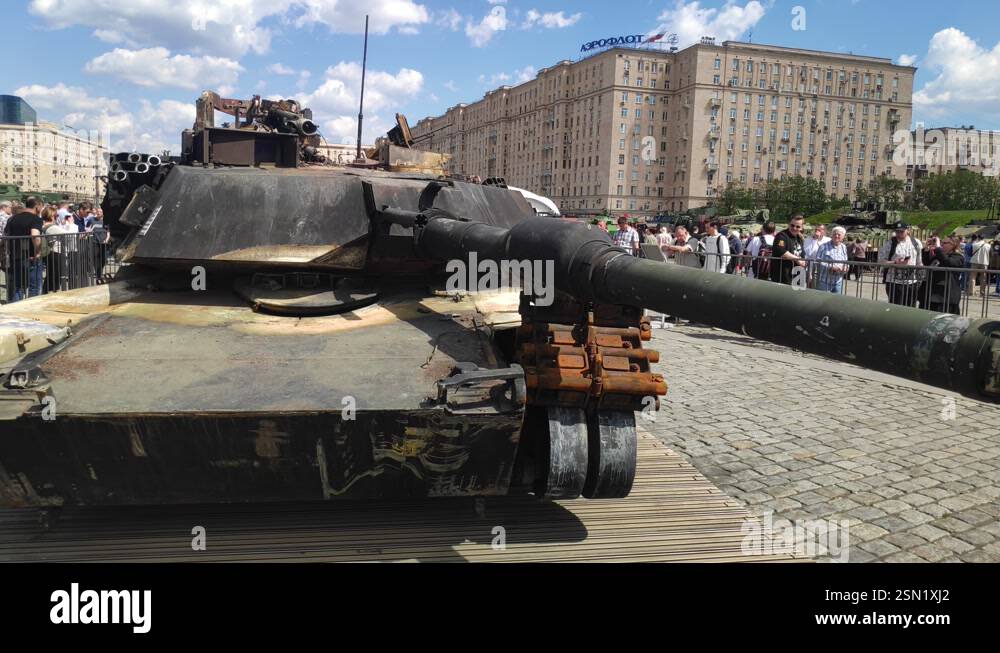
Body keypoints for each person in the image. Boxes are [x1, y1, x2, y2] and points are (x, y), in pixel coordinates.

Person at [3, 196, 45, 301]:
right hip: (31, 257)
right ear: (37, 206)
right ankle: (32, 311)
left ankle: (16, 310)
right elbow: (35, 235)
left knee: (18, 287)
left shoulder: (12, 218)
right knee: (34, 286)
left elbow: (5, 236)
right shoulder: (36, 219)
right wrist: (38, 252)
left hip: (15, 256)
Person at [878, 224, 922, 307]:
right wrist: (895, 263)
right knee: (895, 308)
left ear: (908, 230)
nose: (899, 234)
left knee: (911, 307)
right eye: (897, 231)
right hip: (894, 283)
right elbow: (880, 262)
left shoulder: (916, 243)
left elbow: (919, 261)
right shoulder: (889, 244)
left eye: (901, 231)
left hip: (912, 282)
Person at [921, 236, 965, 315]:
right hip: (931, 295)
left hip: (945, 297)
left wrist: (938, 248)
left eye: (944, 243)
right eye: (941, 242)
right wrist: (926, 249)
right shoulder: (939, 254)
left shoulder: (958, 257)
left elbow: (948, 262)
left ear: (953, 245)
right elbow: (927, 263)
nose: (942, 244)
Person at [770, 214, 807, 285]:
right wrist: (797, 259)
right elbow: (781, 252)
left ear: (801, 228)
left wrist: (803, 261)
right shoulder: (782, 235)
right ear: (788, 224)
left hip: (797, 277)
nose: (794, 228)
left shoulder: (800, 238)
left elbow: (802, 254)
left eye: (798, 226)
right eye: (792, 225)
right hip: (783, 277)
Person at [815, 226, 850, 294]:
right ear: (832, 235)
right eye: (834, 234)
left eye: (839, 235)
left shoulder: (844, 247)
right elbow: (817, 261)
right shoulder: (823, 246)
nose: (836, 236)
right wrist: (831, 267)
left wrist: (846, 268)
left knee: (835, 303)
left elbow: (845, 261)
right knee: (822, 302)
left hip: (838, 281)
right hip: (824, 281)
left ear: (843, 237)